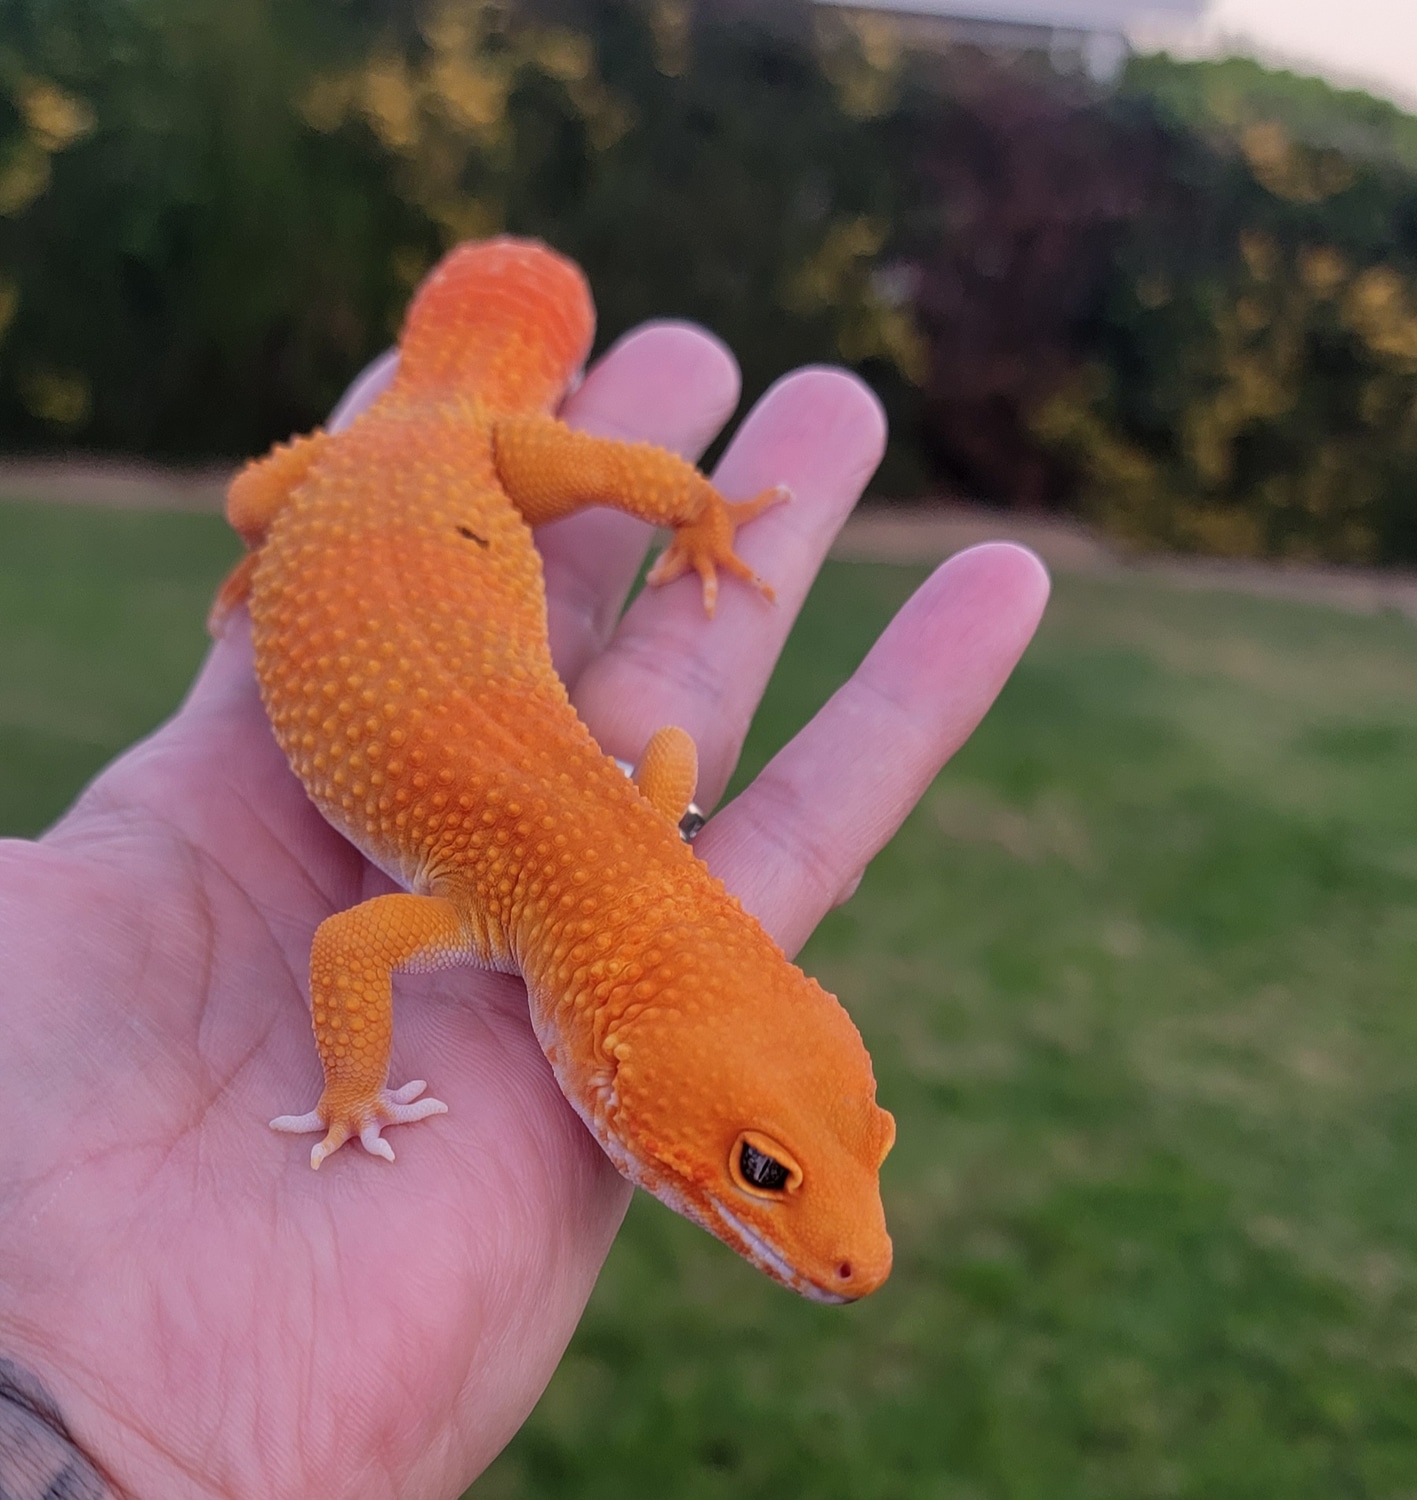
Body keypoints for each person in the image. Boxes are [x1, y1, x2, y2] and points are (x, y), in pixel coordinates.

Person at [0, 322, 1049, 1498]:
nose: (859, 1256)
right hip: (427, 458)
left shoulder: (598, 879)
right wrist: (351, 1092)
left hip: (433, 477)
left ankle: (668, 505)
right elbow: (353, 942)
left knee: (270, 501)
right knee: (258, 500)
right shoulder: (506, 902)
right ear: (613, 1054)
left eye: (819, 1159)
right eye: (761, 1169)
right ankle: (654, 502)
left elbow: (658, 758)